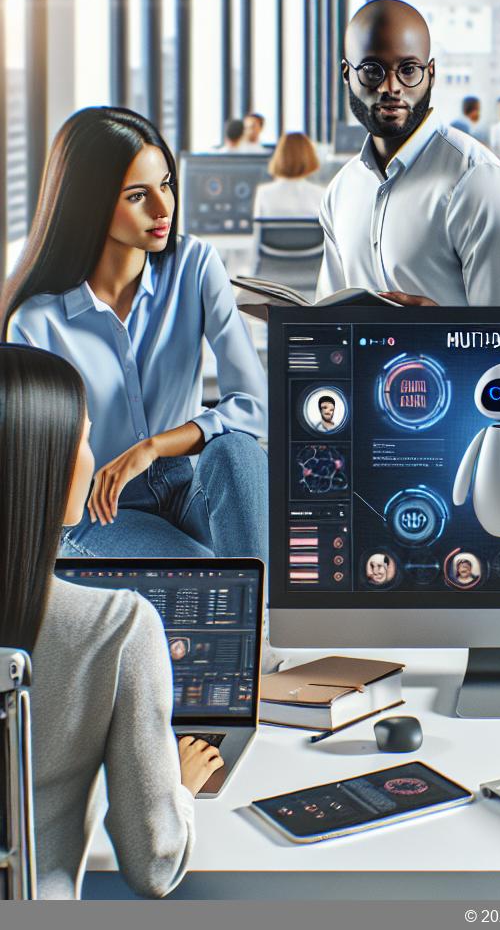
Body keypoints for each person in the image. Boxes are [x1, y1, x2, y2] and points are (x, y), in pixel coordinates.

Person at [0, 344, 225, 898]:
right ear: (43, 458)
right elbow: (153, 865)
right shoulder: (117, 625)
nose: (92, 454)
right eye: (82, 437)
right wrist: (182, 787)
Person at [2, 107, 268, 565]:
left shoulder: (195, 266)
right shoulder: (36, 322)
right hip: (104, 509)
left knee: (238, 452)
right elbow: (37, 466)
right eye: (137, 196)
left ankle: (258, 608)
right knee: (205, 574)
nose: (163, 208)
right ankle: (243, 600)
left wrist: (152, 447)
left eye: (166, 185)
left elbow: (256, 407)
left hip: (188, 485)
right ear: (90, 202)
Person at [317, 0, 500, 308]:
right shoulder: (341, 190)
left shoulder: (478, 180)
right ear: (346, 73)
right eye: (372, 71)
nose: (391, 87)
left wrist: (438, 328)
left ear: (430, 73)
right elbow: (329, 322)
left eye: (408, 70)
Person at [251, 132, 325, 263]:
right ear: (310, 157)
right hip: (311, 273)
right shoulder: (321, 195)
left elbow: (255, 243)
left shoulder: (264, 194)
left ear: (279, 157)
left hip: (270, 276)